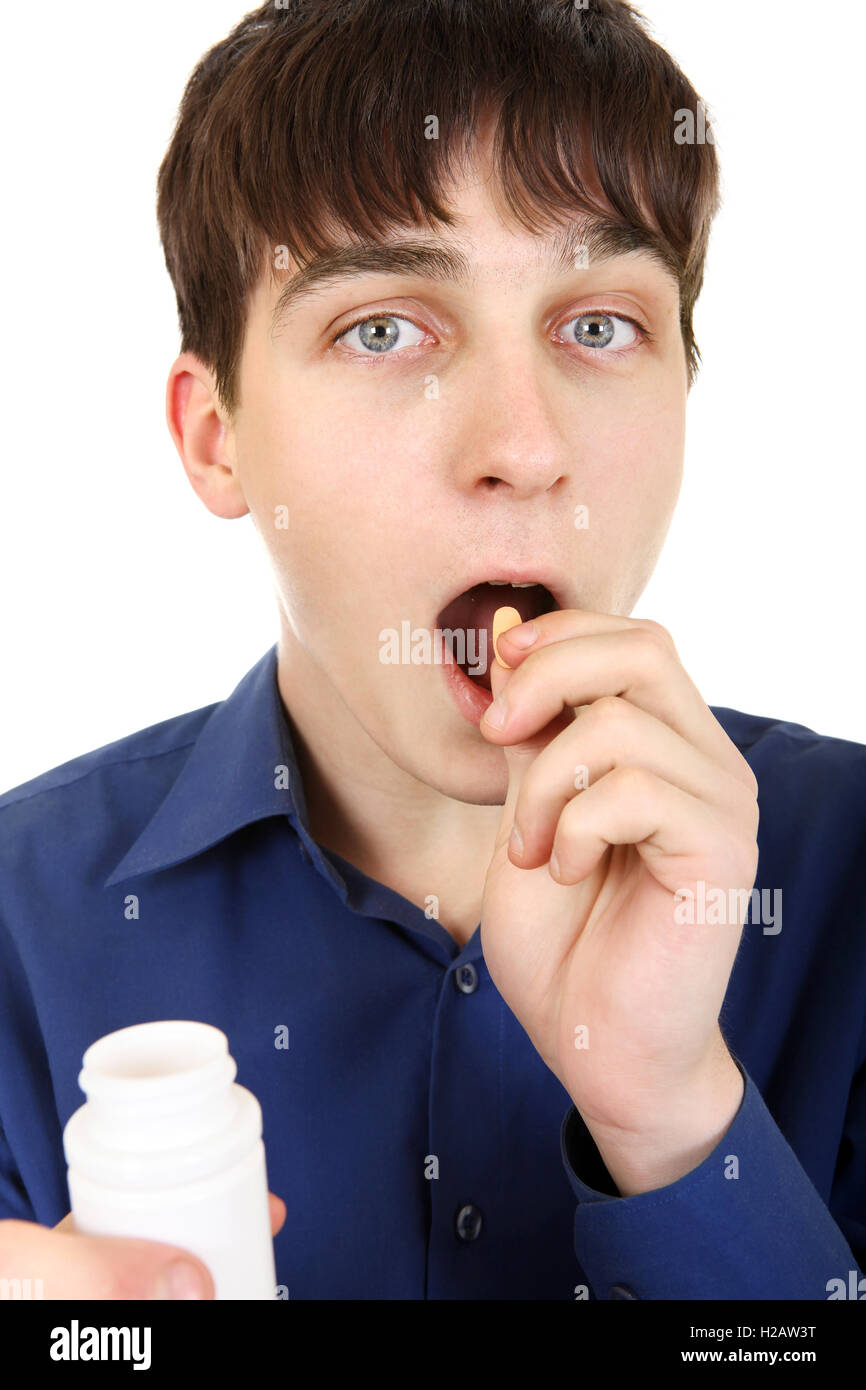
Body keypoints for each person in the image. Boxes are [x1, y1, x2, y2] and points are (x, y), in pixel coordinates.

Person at [1, 0, 864, 1301]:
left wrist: (674, 1113)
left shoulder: (847, 877)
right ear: (215, 436)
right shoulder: (19, 924)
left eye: (596, 325)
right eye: (383, 329)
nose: (521, 445)